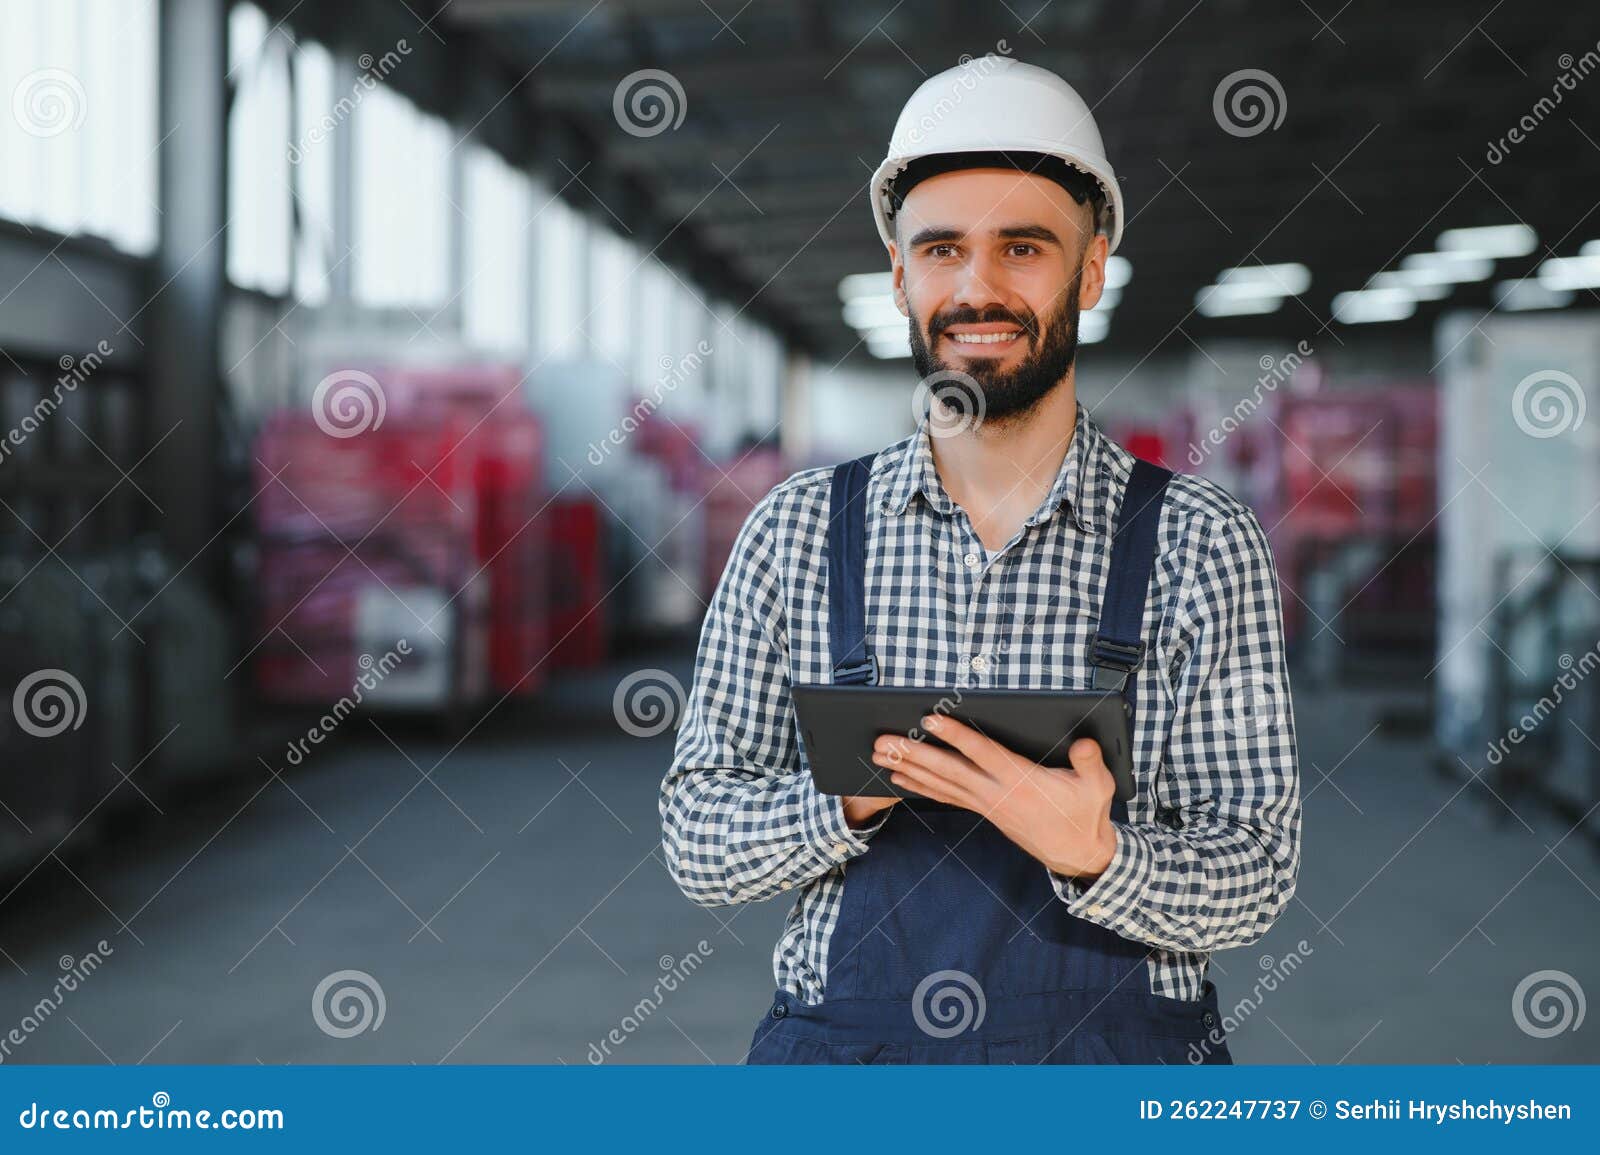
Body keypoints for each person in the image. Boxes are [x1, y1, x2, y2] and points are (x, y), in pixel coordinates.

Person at [659, 56, 1301, 1064]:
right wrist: (848, 796)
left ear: (1089, 269)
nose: (978, 288)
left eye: (1023, 247)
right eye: (943, 248)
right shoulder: (795, 532)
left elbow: (1256, 870)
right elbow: (699, 838)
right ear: (899, 272)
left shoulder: (1199, 543)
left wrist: (1099, 853)